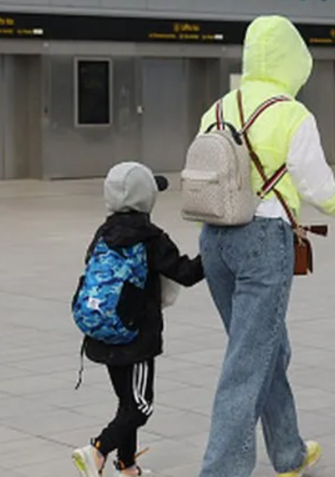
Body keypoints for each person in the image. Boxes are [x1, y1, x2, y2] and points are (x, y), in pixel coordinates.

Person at [196, 15, 335, 477]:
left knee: (267, 350)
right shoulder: (291, 114)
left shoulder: (218, 108)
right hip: (263, 240)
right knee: (247, 362)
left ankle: (289, 453)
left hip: (213, 239)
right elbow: (320, 191)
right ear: (294, 60)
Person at [72, 161, 205, 477]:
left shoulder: (103, 234)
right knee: (141, 406)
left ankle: (127, 466)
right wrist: (215, 252)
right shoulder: (151, 238)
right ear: (146, 199)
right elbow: (185, 274)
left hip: (102, 332)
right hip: (136, 338)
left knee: (125, 403)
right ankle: (98, 450)